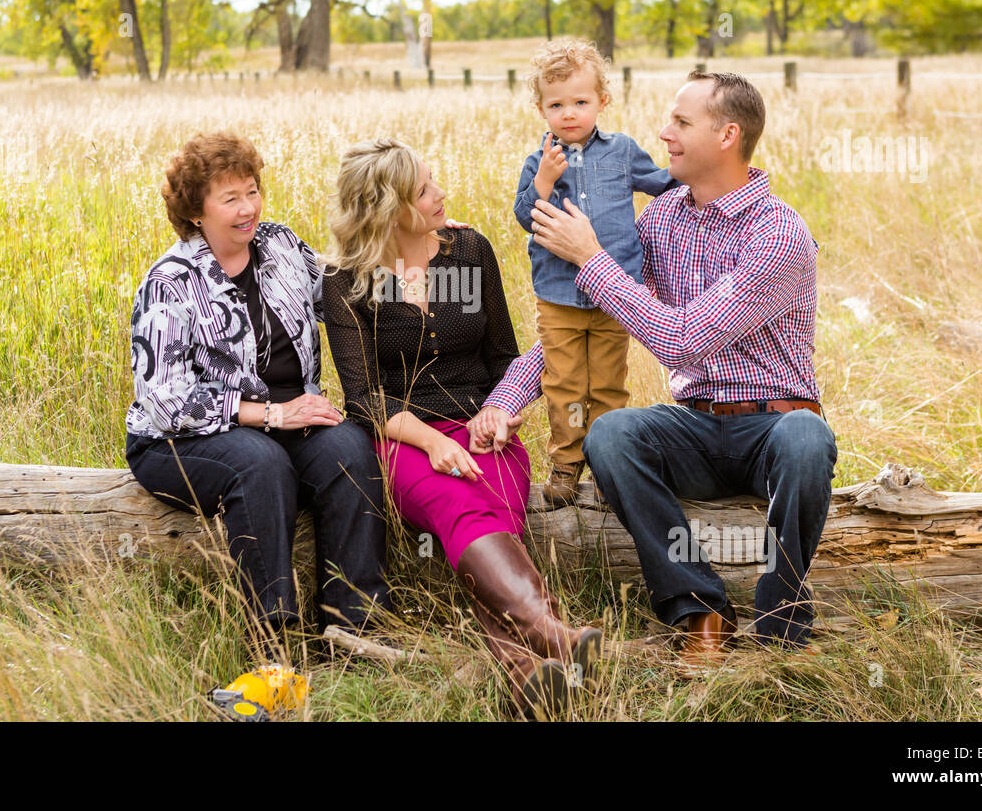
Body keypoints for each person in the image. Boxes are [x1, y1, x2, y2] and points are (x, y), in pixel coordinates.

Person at [479, 72, 836, 674]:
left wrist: (591, 258)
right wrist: (507, 401)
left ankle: (782, 626)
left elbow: (686, 341)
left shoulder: (778, 233)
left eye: (681, 123)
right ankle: (699, 610)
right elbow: (583, 322)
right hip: (694, 428)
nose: (664, 133)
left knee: (807, 440)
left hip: (775, 429)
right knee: (612, 434)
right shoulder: (663, 220)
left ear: (727, 135)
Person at [323, 136, 602, 719]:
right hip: (405, 438)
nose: (440, 193)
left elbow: (505, 356)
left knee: (490, 496)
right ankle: (554, 638)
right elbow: (366, 399)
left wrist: (502, 409)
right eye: (424, 189)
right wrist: (431, 443)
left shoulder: (469, 251)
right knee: (460, 500)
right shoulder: (346, 284)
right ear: (387, 207)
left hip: (483, 426)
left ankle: (530, 677)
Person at [124, 131, 390, 648]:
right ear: (196, 212)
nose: (248, 208)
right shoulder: (169, 282)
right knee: (259, 461)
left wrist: (418, 238)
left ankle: (355, 626)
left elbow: (342, 288)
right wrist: (268, 415)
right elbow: (164, 401)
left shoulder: (280, 244)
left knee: (350, 449)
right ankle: (271, 638)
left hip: (286, 420)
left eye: (252, 191)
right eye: (230, 199)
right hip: (180, 440)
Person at [513, 38, 676, 503]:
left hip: (612, 295)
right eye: (556, 104)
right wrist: (544, 180)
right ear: (541, 109)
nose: (569, 113)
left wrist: (700, 173)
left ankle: (608, 462)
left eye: (580, 102)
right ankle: (566, 462)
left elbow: (662, 184)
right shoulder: (539, 161)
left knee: (607, 382)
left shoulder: (622, 151)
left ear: (602, 101)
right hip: (559, 295)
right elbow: (526, 216)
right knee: (564, 383)